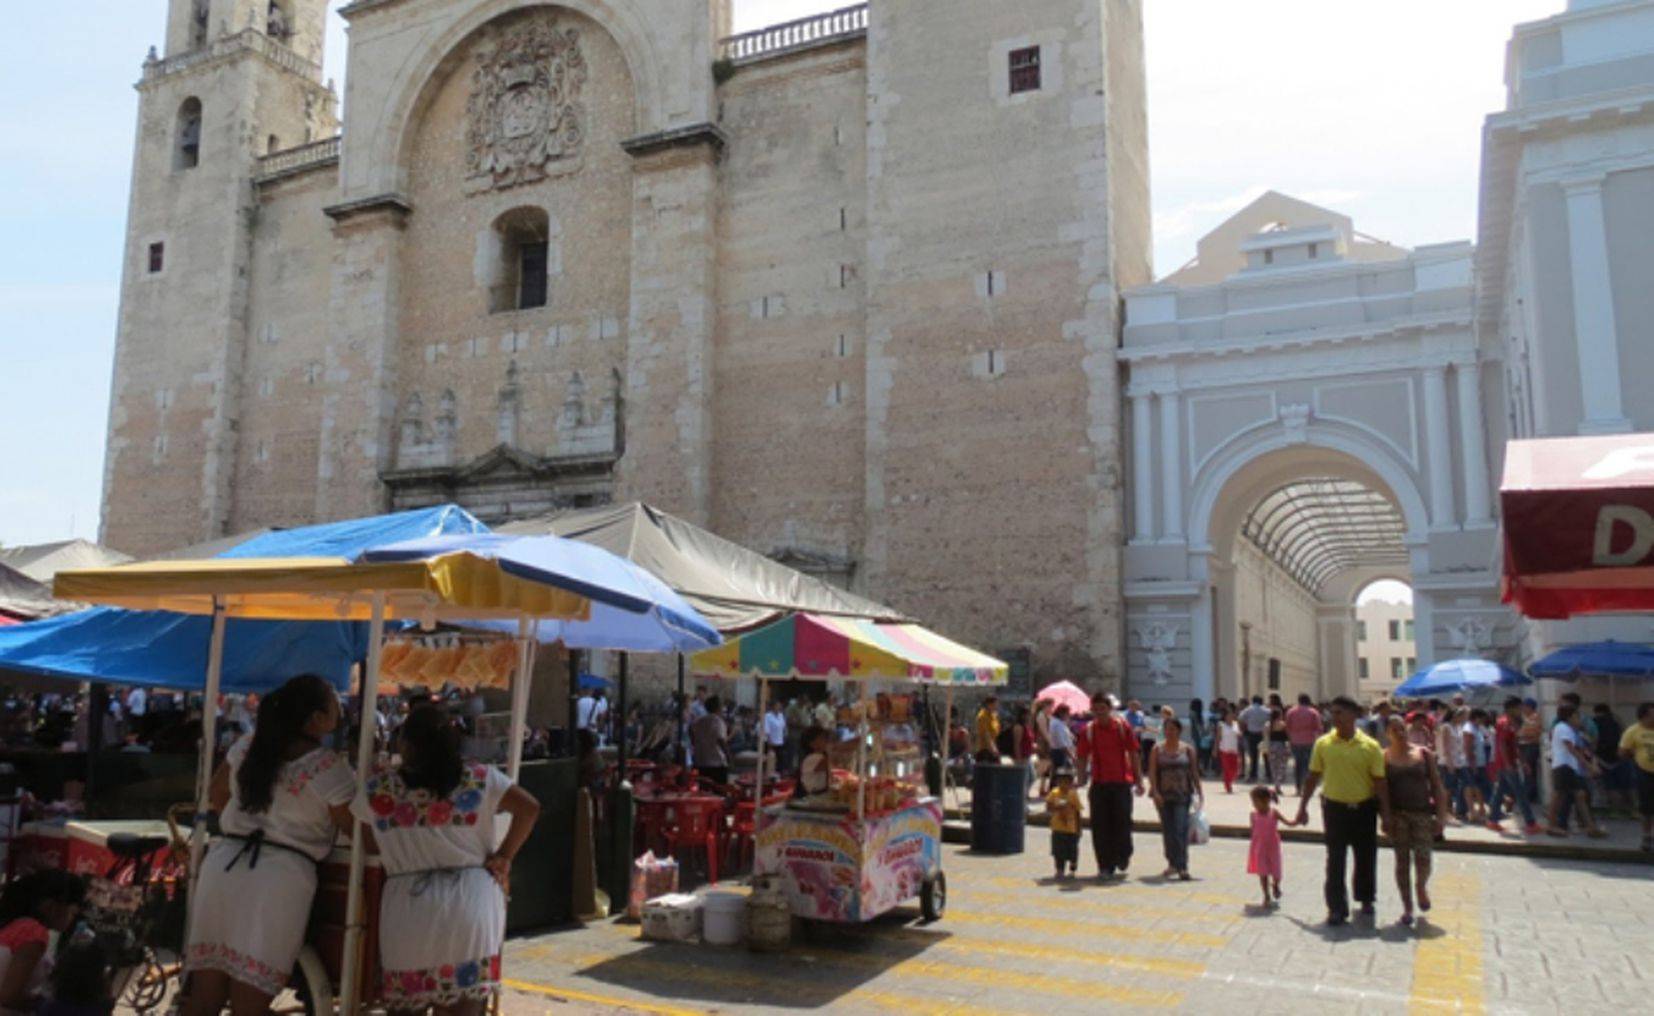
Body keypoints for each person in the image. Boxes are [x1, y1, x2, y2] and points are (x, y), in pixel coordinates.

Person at [185, 675, 355, 1016]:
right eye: (334, 702)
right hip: (279, 880)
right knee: (251, 1001)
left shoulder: (248, 746)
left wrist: (254, 823)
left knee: (204, 996)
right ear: (315, 718)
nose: (341, 706)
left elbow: (217, 795)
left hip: (223, 867)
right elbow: (356, 831)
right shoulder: (328, 768)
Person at [356, 705, 541, 1016]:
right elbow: (530, 808)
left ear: (406, 745)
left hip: (409, 909)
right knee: (464, 1007)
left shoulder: (378, 789)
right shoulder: (481, 779)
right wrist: (504, 855)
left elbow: (369, 843)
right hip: (470, 905)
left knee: (406, 1006)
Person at [1296, 695, 1392, 926]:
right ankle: (1336, 908)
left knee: (1365, 856)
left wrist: (1386, 815)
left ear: (1353, 715)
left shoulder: (1370, 746)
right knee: (1335, 859)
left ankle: (1366, 897)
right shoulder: (1323, 744)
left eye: (1339, 713)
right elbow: (1313, 777)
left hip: (1364, 808)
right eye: (1332, 713)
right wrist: (1303, 807)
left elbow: (1380, 782)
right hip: (1334, 808)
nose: (1334, 717)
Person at [1383, 715, 1449, 928]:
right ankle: (1407, 906)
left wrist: (1441, 816)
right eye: (1395, 730)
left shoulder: (1423, 754)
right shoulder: (1384, 757)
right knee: (1402, 863)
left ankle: (1421, 886)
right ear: (1388, 734)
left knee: (1424, 858)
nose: (1400, 733)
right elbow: (1382, 791)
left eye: (1402, 728)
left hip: (1421, 814)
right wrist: (1385, 817)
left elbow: (1437, 786)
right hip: (1398, 815)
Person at [1077, 694, 1143, 881]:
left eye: (1102, 709)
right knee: (1100, 827)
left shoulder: (1122, 727)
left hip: (1121, 783)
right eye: (1096, 709)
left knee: (1123, 823)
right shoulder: (1088, 730)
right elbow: (1081, 756)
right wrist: (1081, 778)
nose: (1099, 713)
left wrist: (1138, 780)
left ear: (1109, 709)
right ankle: (1104, 865)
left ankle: (1123, 854)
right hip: (1099, 784)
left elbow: (1133, 753)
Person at [0, 870, 85, 1012]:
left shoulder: (13, 925)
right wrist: (44, 1007)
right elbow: (8, 996)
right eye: (72, 912)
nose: (72, 920)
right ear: (52, 907)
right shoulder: (33, 932)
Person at [1148, 717, 1202, 881]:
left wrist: (1200, 792)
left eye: (1173, 729)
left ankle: (1182, 866)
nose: (1170, 732)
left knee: (1180, 830)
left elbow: (1194, 772)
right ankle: (1172, 863)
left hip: (1182, 795)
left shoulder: (1187, 750)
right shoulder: (1157, 749)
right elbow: (1151, 772)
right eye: (1167, 728)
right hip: (1163, 795)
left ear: (1179, 731)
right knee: (1168, 831)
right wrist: (1155, 792)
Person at [1547, 704, 1606, 839]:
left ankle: (1590, 827)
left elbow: (1578, 748)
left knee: (1580, 795)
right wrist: (1588, 766)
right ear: (1570, 717)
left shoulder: (1569, 729)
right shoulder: (1563, 728)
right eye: (1577, 716)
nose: (1579, 719)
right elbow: (1571, 749)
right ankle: (1551, 825)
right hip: (1563, 765)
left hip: (1569, 766)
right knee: (1558, 796)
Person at [1487, 696, 1541, 834]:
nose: (1521, 710)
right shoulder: (1504, 723)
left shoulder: (1510, 723)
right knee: (1520, 793)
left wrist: (1522, 762)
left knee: (1499, 792)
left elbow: (1515, 745)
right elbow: (1503, 745)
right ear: (1511, 708)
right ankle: (1530, 823)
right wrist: (1508, 764)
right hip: (1506, 764)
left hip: (1506, 763)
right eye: (1519, 707)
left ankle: (1493, 820)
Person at [1246, 786, 1298, 909]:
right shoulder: (1253, 815)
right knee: (1262, 872)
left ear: (1265, 801)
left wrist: (1298, 821)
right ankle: (1266, 895)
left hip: (1273, 846)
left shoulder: (1274, 813)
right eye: (1253, 802)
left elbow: (1289, 823)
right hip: (1259, 847)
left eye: (1255, 801)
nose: (1254, 805)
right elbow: (1253, 831)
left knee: (1276, 870)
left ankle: (1275, 884)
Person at [1619, 702, 1654, 853]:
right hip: (1644, 772)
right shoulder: (1633, 731)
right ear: (1644, 716)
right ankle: (1647, 836)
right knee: (1646, 807)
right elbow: (1622, 752)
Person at [1046, 767, 1083, 880]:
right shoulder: (1054, 793)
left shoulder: (1073, 795)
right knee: (1058, 851)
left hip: (1071, 828)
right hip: (1057, 828)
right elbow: (1048, 807)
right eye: (1061, 781)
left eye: (1067, 782)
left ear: (1071, 783)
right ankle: (1059, 870)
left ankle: (1073, 865)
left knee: (1072, 850)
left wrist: (1079, 828)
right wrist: (1056, 807)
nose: (1064, 784)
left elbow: (1078, 811)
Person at [1285, 694, 1322, 796]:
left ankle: (1298, 788)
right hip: (1309, 741)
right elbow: (1318, 728)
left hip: (1295, 741)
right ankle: (1307, 788)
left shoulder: (1291, 712)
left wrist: (1290, 738)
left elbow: (1287, 727)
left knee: (1297, 765)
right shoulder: (1313, 712)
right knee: (1308, 765)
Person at [689, 697, 730, 786]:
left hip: (701, 762)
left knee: (704, 791)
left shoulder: (699, 721)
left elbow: (692, 734)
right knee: (719, 790)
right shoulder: (718, 722)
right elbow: (721, 741)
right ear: (718, 707)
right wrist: (729, 757)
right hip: (717, 763)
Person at [1517, 698, 1544, 805]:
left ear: (1530, 707)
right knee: (1527, 771)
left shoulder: (1535, 717)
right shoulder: (1525, 718)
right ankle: (1529, 795)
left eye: (1524, 706)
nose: (1523, 708)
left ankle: (1529, 796)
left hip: (1531, 746)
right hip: (1524, 746)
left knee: (1529, 771)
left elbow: (1530, 732)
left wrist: (1520, 734)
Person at [1239, 697, 1270, 782]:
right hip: (1263, 734)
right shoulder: (1267, 711)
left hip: (1251, 734)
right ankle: (1269, 774)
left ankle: (1253, 775)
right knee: (1266, 755)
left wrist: (1243, 728)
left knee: (1253, 756)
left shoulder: (1248, 710)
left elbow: (1241, 718)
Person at [795, 727, 832, 798]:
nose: (826, 741)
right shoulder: (812, 758)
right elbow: (827, 763)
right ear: (812, 744)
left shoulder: (822, 756)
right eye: (822, 739)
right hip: (812, 795)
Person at [1265, 707, 1291, 796]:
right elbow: (1288, 737)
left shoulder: (1268, 724)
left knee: (1273, 766)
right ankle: (1278, 785)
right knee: (1281, 766)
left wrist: (1267, 748)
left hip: (1272, 746)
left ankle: (1276, 784)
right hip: (1281, 746)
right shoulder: (1283, 724)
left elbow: (1266, 738)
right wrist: (1289, 747)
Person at [1217, 708, 1242, 793]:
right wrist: (1215, 748)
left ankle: (1230, 780)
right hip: (1225, 749)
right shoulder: (1221, 725)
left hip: (1234, 749)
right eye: (1229, 715)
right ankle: (1228, 786)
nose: (1231, 716)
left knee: (1235, 769)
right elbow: (1218, 738)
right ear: (1225, 716)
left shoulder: (1236, 724)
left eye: (1232, 715)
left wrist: (1239, 734)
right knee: (1227, 769)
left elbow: (1239, 734)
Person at [762, 699, 789, 776]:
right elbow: (766, 729)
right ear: (773, 707)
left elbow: (783, 727)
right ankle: (768, 773)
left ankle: (779, 773)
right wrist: (769, 740)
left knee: (781, 759)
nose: (778, 707)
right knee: (770, 759)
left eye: (779, 706)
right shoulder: (767, 716)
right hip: (771, 741)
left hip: (780, 740)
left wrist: (784, 736)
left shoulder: (781, 715)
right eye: (777, 706)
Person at [1046, 705, 1076, 773]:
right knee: (1061, 776)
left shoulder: (1058, 722)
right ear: (1061, 713)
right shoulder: (1057, 724)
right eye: (1067, 713)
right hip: (1060, 753)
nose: (1069, 715)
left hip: (1059, 752)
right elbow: (1062, 744)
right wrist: (1072, 756)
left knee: (1057, 774)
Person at [973, 696, 1001, 763]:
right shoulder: (982, 716)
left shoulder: (994, 716)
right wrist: (993, 748)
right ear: (989, 704)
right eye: (995, 704)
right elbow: (986, 734)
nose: (997, 706)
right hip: (984, 750)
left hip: (994, 747)